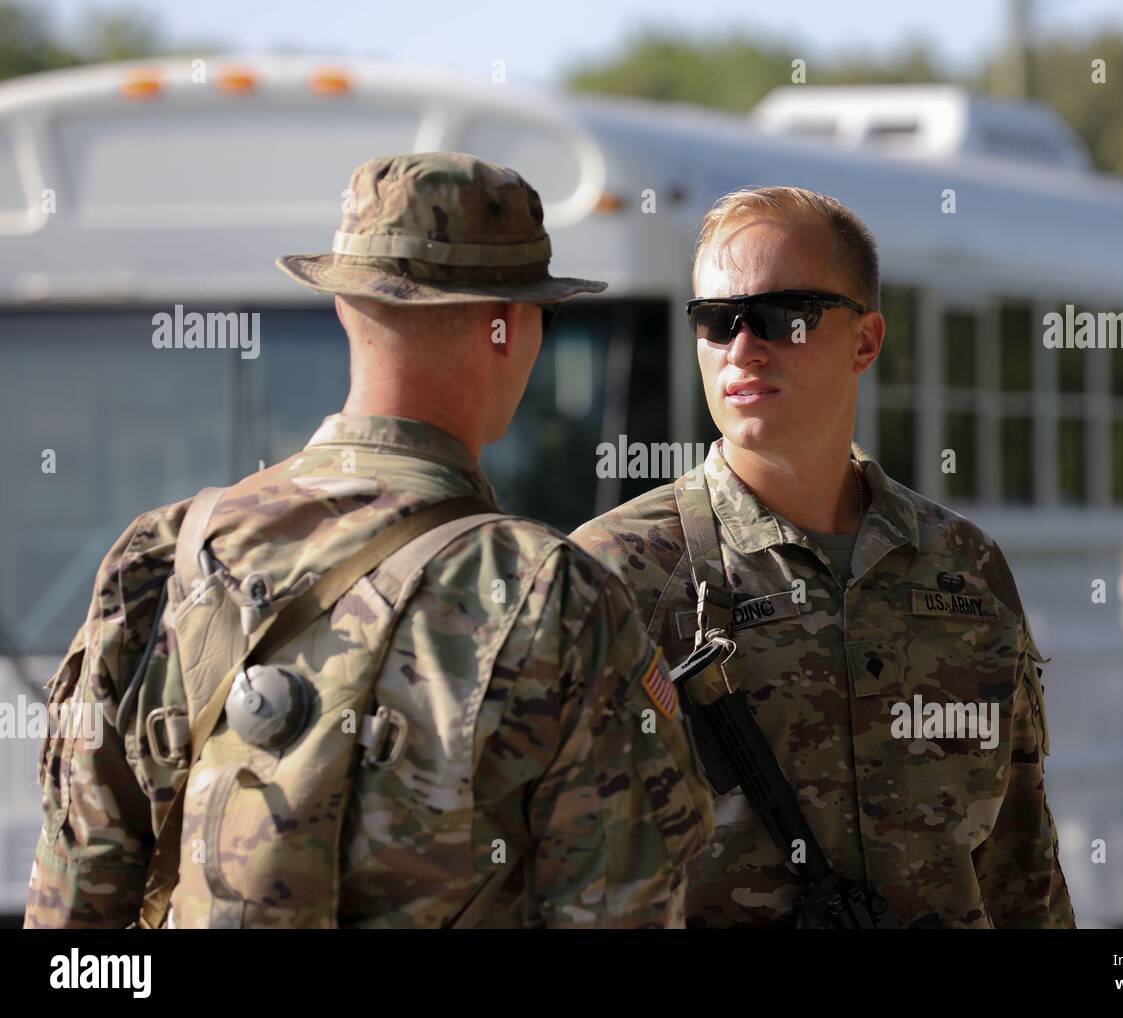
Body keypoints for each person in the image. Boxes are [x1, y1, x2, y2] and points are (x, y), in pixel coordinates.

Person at [24, 152, 712, 929]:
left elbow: (75, 922)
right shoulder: (552, 595)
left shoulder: (164, 556)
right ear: (511, 325)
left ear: (345, 308)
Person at [572, 185, 1074, 928]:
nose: (743, 348)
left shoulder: (965, 568)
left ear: (865, 341)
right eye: (716, 322)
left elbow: (1020, 865)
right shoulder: (616, 574)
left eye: (784, 316)